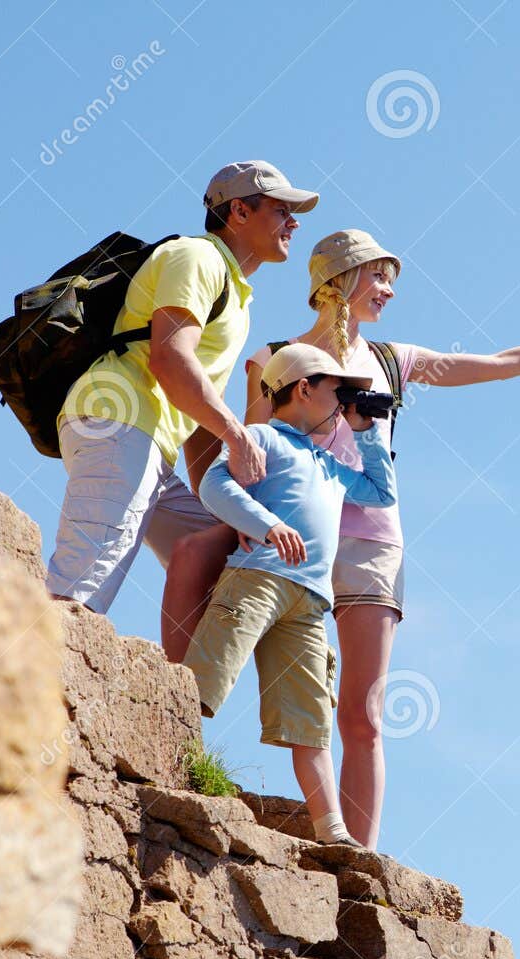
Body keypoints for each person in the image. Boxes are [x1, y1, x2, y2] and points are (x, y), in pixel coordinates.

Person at [165, 227, 520, 849]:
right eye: (379, 277)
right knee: (207, 586)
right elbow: (248, 454)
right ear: (338, 281)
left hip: (371, 544)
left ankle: (357, 861)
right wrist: (247, 524)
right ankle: (171, 737)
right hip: (290, 539)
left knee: (363, 715)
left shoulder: (393, 361)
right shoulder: (277, 361)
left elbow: (500, 364)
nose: (390, 292)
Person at [45, 160, 319, 635]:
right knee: (80, 586)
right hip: (121, 422)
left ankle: (183, 692)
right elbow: (171, 361)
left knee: (231, 554)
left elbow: (197, 413)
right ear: (239, 211)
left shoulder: (236, 292)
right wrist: (237, 434)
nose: (294, 222)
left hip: (151, 445)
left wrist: (228, 506)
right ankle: (24, 687)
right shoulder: (198, 258)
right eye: (281, 210)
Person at [183, 343, 397, 847]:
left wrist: (365, 432)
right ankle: (168, 756)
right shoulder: (262, 439)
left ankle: (333, 831)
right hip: (257, 577)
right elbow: (215, 487)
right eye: (336, 392)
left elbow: (381, 494)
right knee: (208, 676)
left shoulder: (327, 463)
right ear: (304, 388)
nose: (344, 403)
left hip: (309, 602)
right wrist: (267, 523)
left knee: (310, 718)